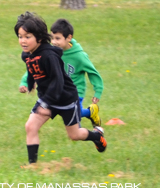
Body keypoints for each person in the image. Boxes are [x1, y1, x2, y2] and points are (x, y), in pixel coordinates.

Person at [15, 12, 107, 164]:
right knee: (30, 126)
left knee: (74, 135)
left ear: (39, 37)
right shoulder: (27, 55)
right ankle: (32, 166)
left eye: (27, 37)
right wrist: (28, 84)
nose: (23, 41)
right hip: (47, 99)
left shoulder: (49, 56)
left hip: (66, 99)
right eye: (20, 36)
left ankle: (96, 136)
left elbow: (58, 81)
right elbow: (31, 69)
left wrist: (45, 102)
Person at [20, 18, 103, 127]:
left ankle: (91, 112)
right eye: (52, 38)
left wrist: (98, 90)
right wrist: (25, 82)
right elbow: (35, 67)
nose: (54, 42)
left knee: (77, 117)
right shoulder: (49, 53)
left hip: (75, 91)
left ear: (69, 38)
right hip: (56, 90)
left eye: (58, 38)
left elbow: (92, 72)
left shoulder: (79, 56)